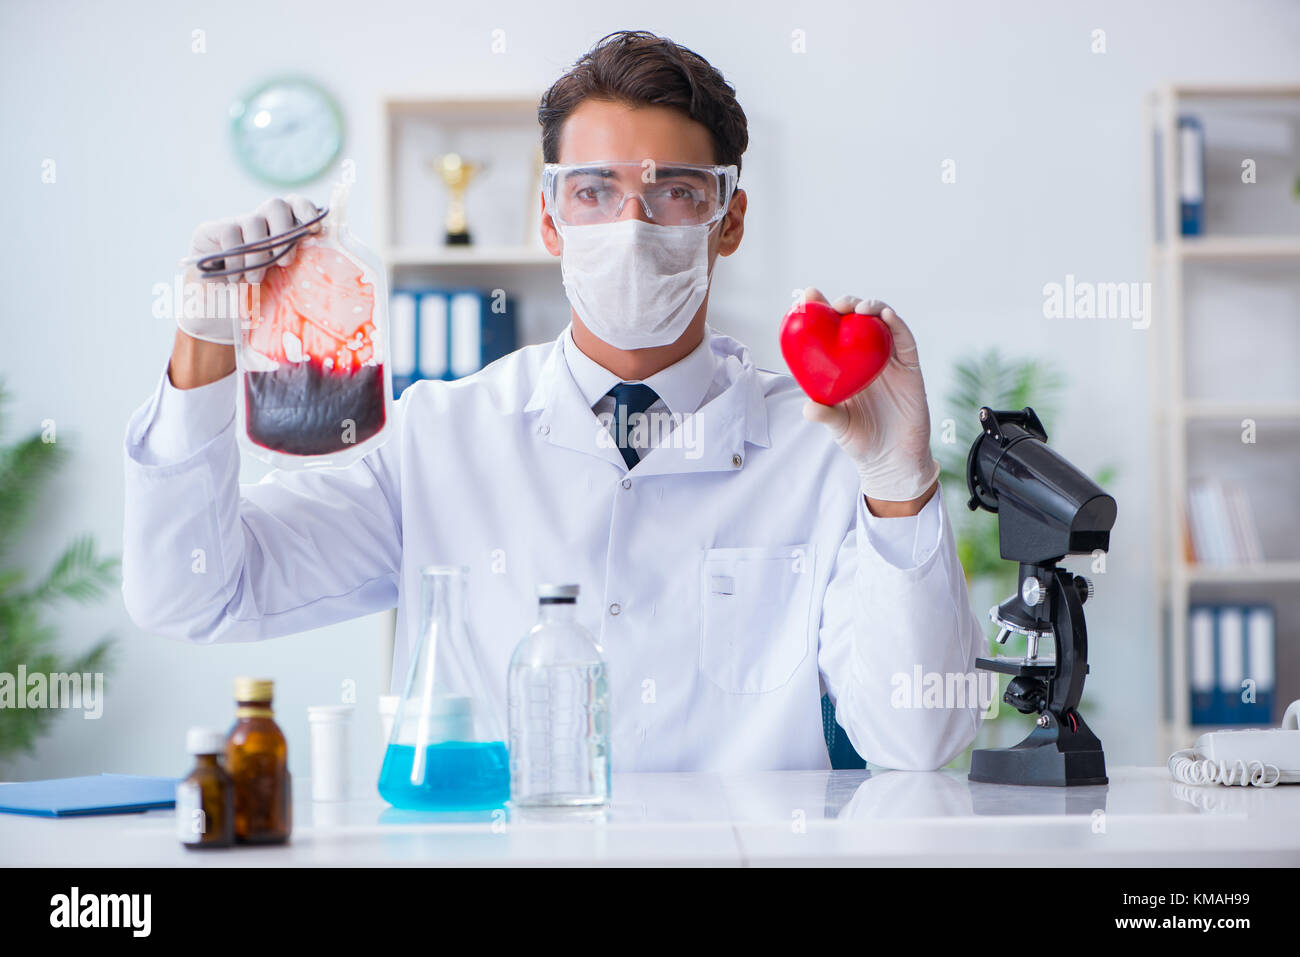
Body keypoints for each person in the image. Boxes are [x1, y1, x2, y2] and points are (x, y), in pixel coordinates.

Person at [123, 30, 985, 772]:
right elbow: (193, 594)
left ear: (728, 219)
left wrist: (899, 476)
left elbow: (918, 737)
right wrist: (206, 343)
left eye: (675, 191)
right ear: (549, 218)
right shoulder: (438, 437)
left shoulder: (819, 451)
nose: (632, 223)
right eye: (595, 191)